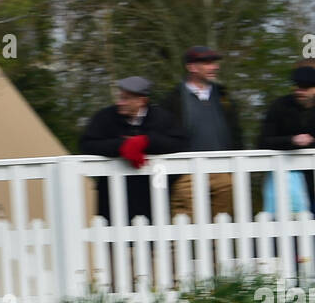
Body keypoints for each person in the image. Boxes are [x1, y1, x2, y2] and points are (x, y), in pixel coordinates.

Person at [78, 76, 185, 221]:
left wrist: (147, 141)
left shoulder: (162, 118)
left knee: (153, 238)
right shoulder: (104, 117)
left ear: (142, 101)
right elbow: (87, 145)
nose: (119, 103)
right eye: (120, 97)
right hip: (112, 193)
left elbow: (180, 144)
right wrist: (121, 145)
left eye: (125, 99)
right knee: (113, 239)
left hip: (152, 194)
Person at [159, 45, 245, 220]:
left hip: (222, 174)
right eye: (207, 63)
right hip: (186, 174)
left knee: (221, 228)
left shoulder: (224, 97)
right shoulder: (172, 100)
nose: (214, 67)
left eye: (214, 62)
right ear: (191, 67)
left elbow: (236, 134)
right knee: (185, 230)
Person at [258, 65, 315, 215]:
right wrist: (292, 140)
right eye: (297, 85)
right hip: (286, 181)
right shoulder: (279, 106)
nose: (299, 90)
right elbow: (264, 141)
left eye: (306, 87)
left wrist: (312, 142)